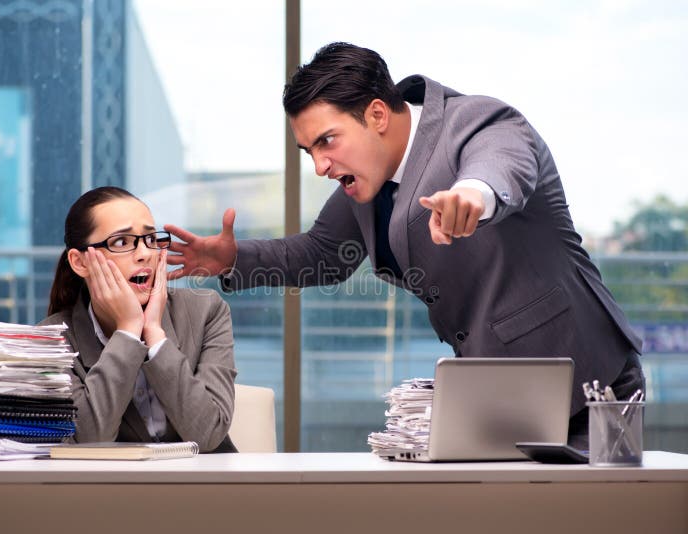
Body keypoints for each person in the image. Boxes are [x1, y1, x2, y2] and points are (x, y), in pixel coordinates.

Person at [164, 42, 644, 447]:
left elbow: (501, 167)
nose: (320, 166)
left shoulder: (478, 123)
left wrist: (471, 196)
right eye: (309, 151)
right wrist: (230, 259)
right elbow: (321, 255)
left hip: (588, 384)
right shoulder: (363, 188)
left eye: (327, 141)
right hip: (498, 397)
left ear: (376, 114)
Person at [41, 186, 237, 452]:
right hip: (112, 493)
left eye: (150, 239)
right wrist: (128, 331)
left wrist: (155, 334)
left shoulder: (207, 312)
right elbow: (87, 440)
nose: (145, 253)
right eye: (121, 242)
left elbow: (209, 434)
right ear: (80, 262)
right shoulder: (50, 340)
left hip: (205, 489)